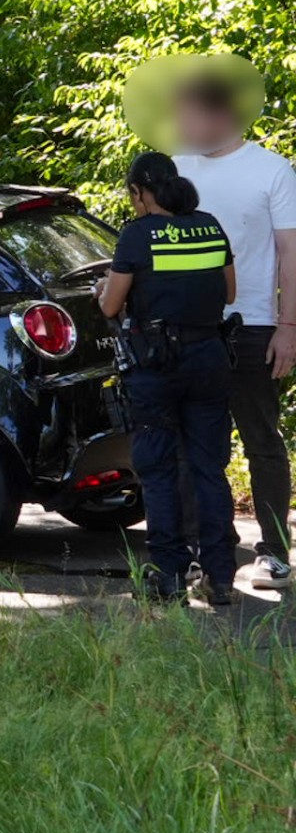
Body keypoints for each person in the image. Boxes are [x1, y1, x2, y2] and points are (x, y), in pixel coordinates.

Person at [129, 53, 295, 591]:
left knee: (260, 439)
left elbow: (290, 254)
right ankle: (200, 555)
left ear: (220, 113)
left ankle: (274, 553)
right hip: (183, 331)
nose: (177, 122)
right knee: (189, 446)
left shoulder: (272, 170)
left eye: (186, 112)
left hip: (253, 326)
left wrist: (288, 328)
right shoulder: (176, 169)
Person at [95, 152, 237, 606]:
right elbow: (229, 292)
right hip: (210, 357)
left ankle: (170, 576)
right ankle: (220, 577)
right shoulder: (209, 225)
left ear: (139, 192)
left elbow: (110, 306)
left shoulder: (137, 235)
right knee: (209, 467)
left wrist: (104, 289)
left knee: (157, 469)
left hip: (157, 365)